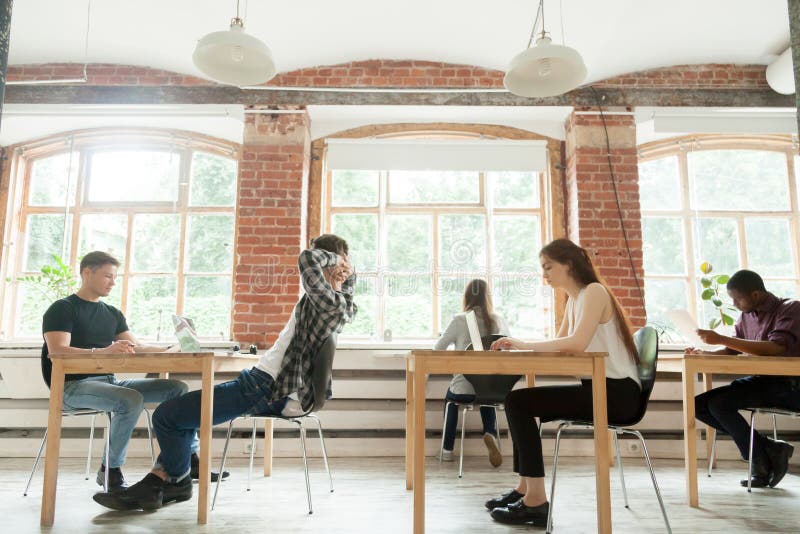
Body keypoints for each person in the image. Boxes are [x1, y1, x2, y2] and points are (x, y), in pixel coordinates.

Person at [93, 234, 357, 511]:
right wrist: (345, 269)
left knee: (167, 416)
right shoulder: (338, 301)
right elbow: (327, 271)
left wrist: (336, 259)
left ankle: (170, 482)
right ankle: (165, 481)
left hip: (263, 388)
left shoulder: (328, 302)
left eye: (324, 260)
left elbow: (306, 259)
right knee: (185, 413)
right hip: (263, 384)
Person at [484, 238, 641, 527]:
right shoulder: (575, 300)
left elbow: (577, 343)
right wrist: (520, 345)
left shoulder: (594, 292)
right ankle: (525, 490)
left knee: (518, 402)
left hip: (617, 394)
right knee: (519, 400)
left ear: (568, 264)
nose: (543, 273)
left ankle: (535, 502)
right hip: (599, 388)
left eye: (548, 267)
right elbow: (562, 348)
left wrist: (522, 344)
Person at [41, 250, 226, 491]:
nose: (113, 282)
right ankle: (110, 469)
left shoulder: (112, 313)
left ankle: (186, 459)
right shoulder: (62, 308)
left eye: (114, 277)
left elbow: (135, 347)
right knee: (129, 398)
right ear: (87, 273)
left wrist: (170, 349)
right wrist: (103, 351)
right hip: (70, 387)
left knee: (177, 389)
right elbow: (58, 350)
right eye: (108, 276)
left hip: (108, 383)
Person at [690, 269, 800, 489]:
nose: (736, 304)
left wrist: (721, 338)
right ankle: (766, 449)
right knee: (698, 405)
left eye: (738, 298)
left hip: (790, 386)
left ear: (756, 295)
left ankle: (759, 459)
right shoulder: (746, 316)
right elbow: (733, 350)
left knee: (720, 404)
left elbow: (776, 347)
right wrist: (704, 354)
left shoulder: (790, 309)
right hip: (763, 382)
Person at [435, 279, 509, 467]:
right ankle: (490, 433)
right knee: (486, 397)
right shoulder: (498, 320)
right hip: (493, 389)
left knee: (451, 400)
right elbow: (509, 349)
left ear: (467, 297)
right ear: (487, 298)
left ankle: (447, 450)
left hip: (464, 389)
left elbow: (438, 348)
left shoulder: (460, 319)